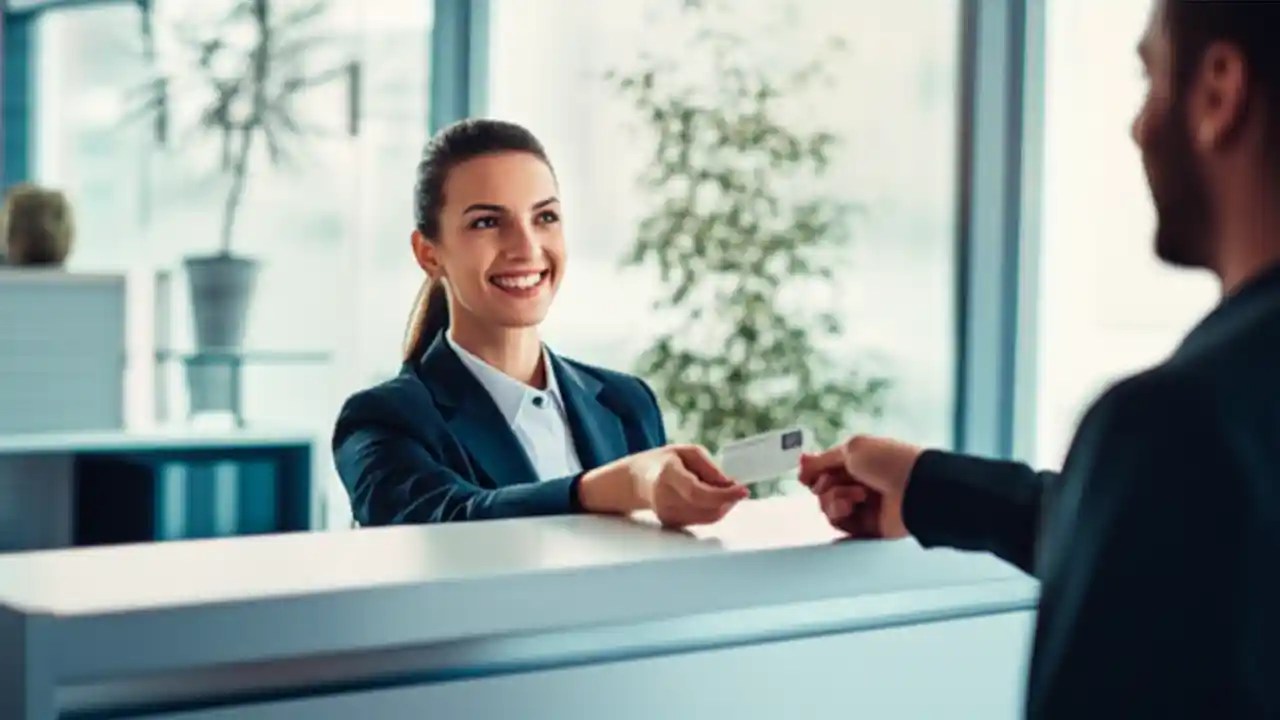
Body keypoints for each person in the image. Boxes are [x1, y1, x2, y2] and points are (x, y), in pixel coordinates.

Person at [800, 1, 1279, 717]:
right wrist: (933, 488)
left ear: (1218, 91)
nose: (1139, 127)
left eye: (1151, 80)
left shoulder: (1177, 425)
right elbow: (1188, 553)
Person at [333, 119, 748, 527]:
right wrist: (614, 486)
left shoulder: (626, 403)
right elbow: (450, 519)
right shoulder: (381, 419)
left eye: (545, 217)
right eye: (487, 222)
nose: (526, 248)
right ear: (429, 254)